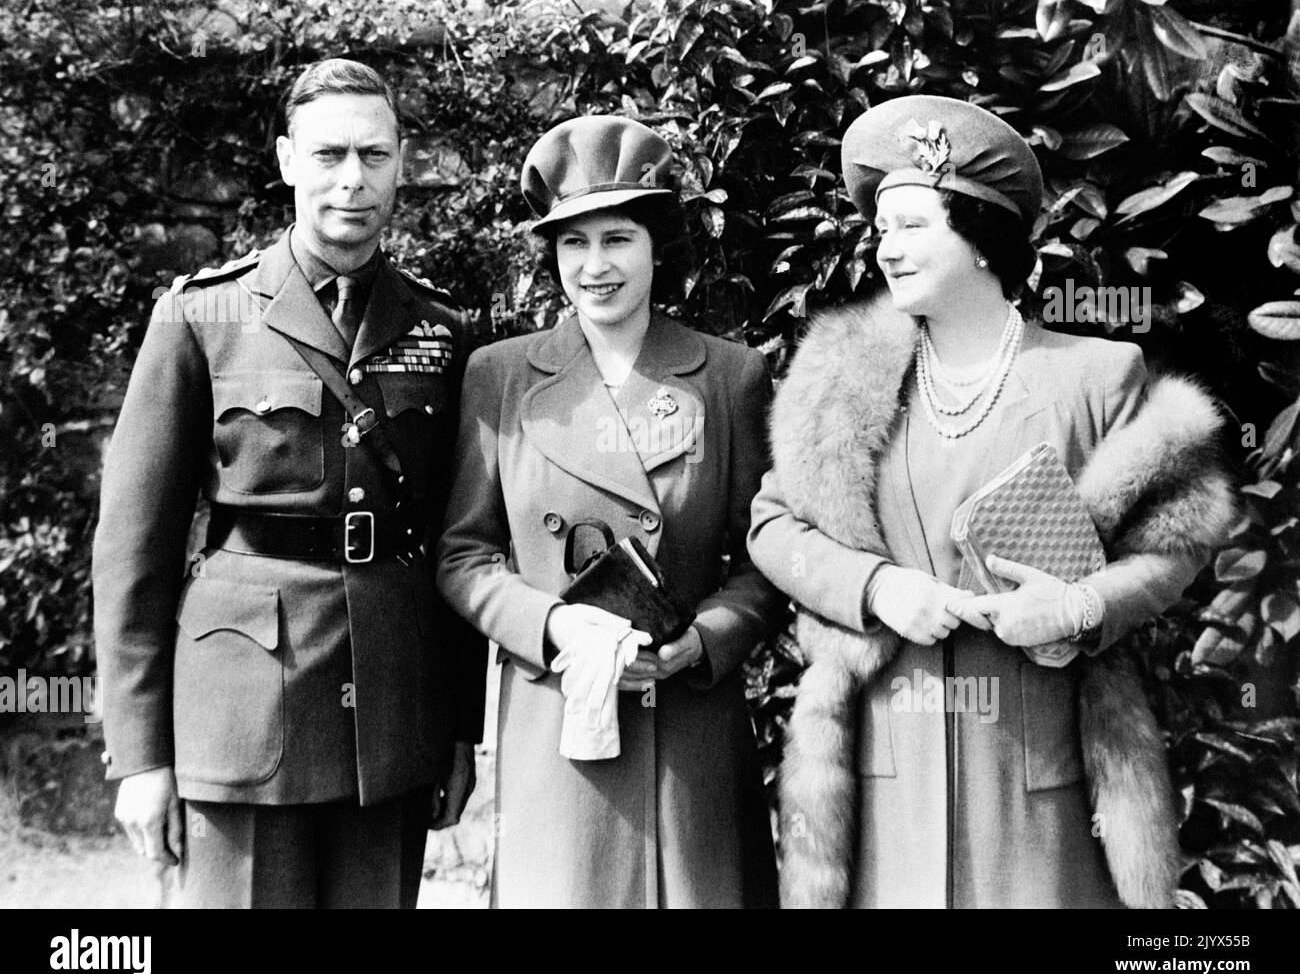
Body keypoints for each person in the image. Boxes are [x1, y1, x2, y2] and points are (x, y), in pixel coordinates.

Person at [748, 94, 1238, 909]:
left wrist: (1080, 605)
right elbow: (773, 524)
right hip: (881, 777)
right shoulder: (841, 380)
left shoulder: (1094, 375)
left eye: (912, 225)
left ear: (978, 236)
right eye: (881, 229)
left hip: (1046, 779)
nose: (886, 249)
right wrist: (877, 587)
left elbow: (1177, 544)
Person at [94, 58, 485, 908]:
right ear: (285, 160)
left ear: (402, 161)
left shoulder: (442, 327)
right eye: (329, 154)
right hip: (240, 708)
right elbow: (134, 548)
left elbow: (461, 540)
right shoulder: (203, 316)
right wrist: (140, 755)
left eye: (374, 156)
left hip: (390, 712)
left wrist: (458, 731)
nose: (353, 180)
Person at [436, 115, 782, 908]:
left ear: (659, 246)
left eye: (618, 238)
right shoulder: (501, 377)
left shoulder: (730, 377)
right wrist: (550, 625)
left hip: (688, 727)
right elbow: (464, 555)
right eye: (573, 244)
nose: (596, 267)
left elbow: (765, 559)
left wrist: (702, 641)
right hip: (560, 725)